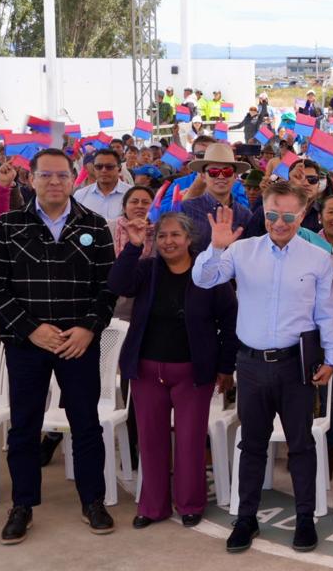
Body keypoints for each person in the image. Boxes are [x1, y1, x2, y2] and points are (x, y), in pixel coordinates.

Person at [193, 183, 333, 554]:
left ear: (302, 216)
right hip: (252, 365)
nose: (279, 223)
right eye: (273, 214)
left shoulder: (318, 258)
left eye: (289, 216)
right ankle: (246, 519)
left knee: (302, 445)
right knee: (252, 445)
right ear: (264, 212)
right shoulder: (241, 250)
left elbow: (326, 313)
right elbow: (204, 279)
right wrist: (217, 246)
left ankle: (305, 520)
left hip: (296, 366)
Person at [0, 148, 119, 543]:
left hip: (78, 343)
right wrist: (29, 329)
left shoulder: (94, 224)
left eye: (62, 175)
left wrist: (89, 329)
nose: (54, 182)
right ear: (31, 179)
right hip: (27, 344)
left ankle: (93, 500)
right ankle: (22, 504)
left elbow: (106, 287)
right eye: (46, 175)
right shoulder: (7, 225)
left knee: (86, 424)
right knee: (24, 426)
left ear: (76, 178)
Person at [109, 212, 237, 529]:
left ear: (190, 239)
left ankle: (190, 504)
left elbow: (230, 320)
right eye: (162, 235)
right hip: (146, 370)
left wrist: (225, 367)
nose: (168, 241)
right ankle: (152, 507)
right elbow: (117, 284)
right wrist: (134, 247)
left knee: (190, 441)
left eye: (175, 235)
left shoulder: (209, 273)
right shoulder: (146, 269)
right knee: (150, 441)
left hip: (193, 373)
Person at [181, 143, 252, 254]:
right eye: (213, 172)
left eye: (227, 172)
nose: (221, 176)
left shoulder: (245, 215)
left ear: (235, 176)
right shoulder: (187, 208)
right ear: (203, 176)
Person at [72, 149, 132, 222]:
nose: (104, 170)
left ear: (119, 168)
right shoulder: (80, 195)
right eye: (99, 167)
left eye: (109, 167)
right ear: (94, 169)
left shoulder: (131, 194)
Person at [112, 186, 156, 259]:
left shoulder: (159, 231)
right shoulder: (109, 227)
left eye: (145, 202)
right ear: (124, 207)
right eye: (134, 202)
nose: (140, 206)